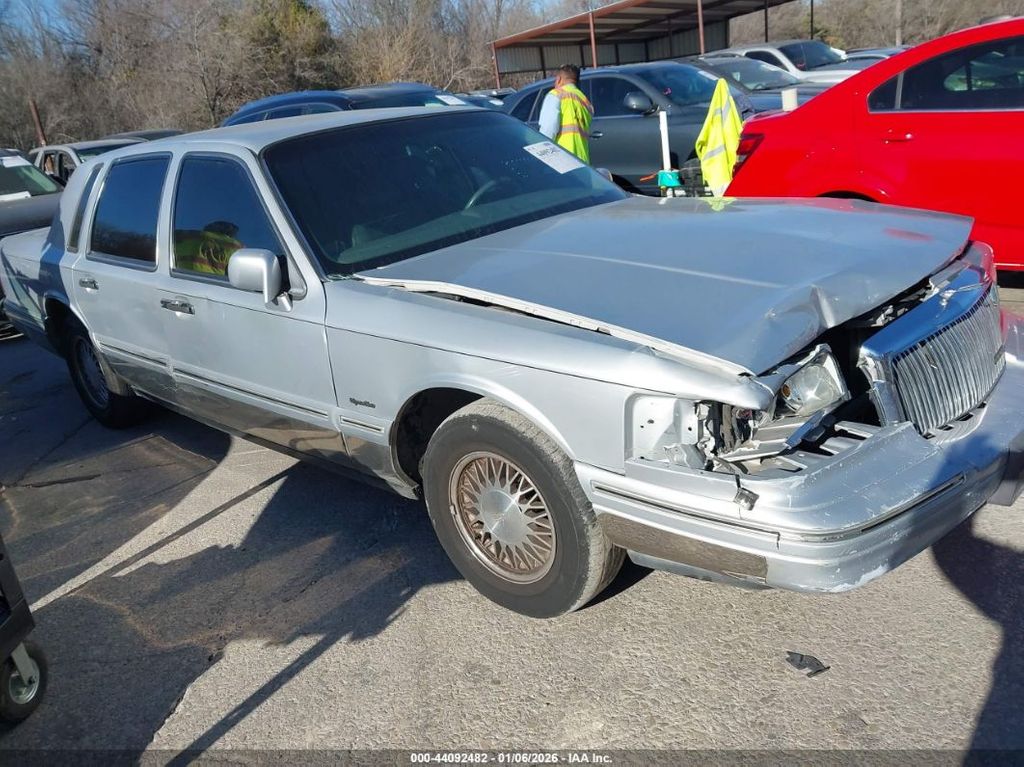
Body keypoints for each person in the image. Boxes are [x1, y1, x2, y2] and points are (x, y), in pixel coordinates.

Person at [537, 64, 594, 163]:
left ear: (558, 79)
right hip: (583, 161)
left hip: (563, 161)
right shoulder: (584, 101)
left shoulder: (556, 95)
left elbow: (548, 131)